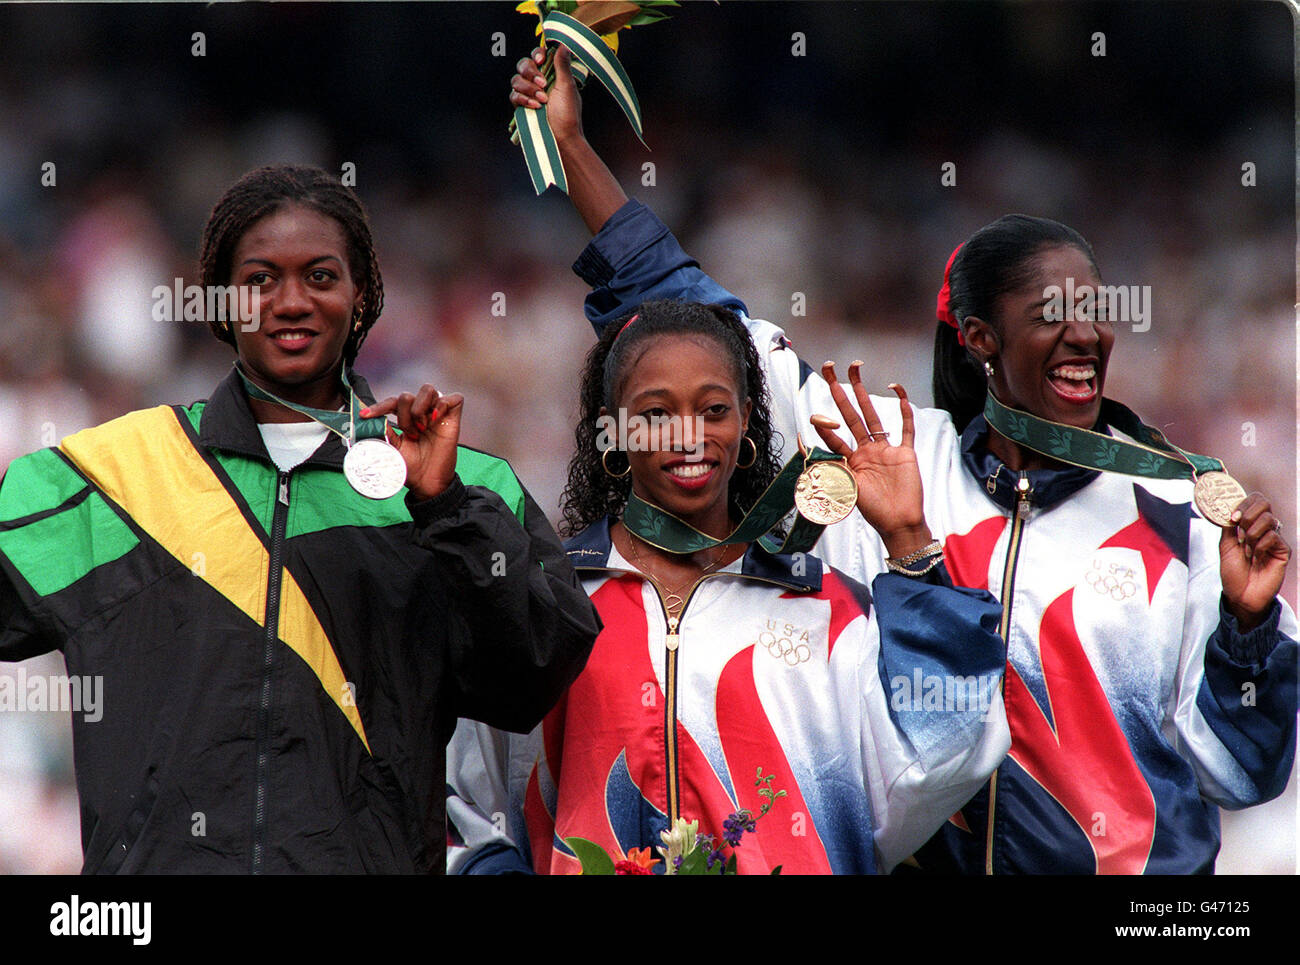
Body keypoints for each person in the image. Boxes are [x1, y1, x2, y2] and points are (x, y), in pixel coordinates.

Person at [506, 47, 1298, 874]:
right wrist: (572, 149)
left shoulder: (1188, 511)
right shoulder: (885, 455)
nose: (1085, 332)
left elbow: (1242, 768)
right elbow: (693, 324)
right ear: (982, 339)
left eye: (1096, 312)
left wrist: (1247, 633)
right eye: (1052, 313)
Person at [0, 164, 600, 873]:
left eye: (320, 276)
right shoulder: (111, 477)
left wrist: (443, 507)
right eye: (260, 280)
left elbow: (537, 670)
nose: (291, 301)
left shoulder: (463, 483)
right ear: (221, 301)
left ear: (363, 295)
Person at [446, 295, 1011, 875]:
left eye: (714, 410)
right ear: (613, 431)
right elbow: (466, 805)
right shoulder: (548, 603)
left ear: (745, 423)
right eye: (656, 415)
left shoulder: (831, 612)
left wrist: (908, 537)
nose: (690, 435)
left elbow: (949, 752)